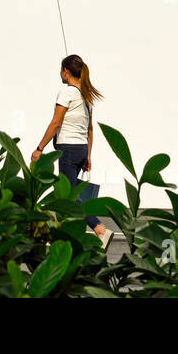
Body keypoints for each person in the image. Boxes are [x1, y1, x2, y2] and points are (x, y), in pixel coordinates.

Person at [30, 54, 113, 248]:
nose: (60, 74)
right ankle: (60, 236)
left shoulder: (67, 93)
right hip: (81, 149)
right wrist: (89, 155)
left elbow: (56, 122)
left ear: (66, 72)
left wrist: (39, 148)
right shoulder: (86, 97)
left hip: (67, 149)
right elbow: (90, 129)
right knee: (70, 193)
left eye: (61, 70)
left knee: (69, 196)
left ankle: (99, 230)